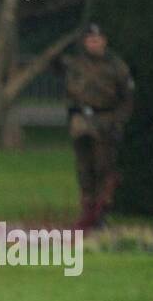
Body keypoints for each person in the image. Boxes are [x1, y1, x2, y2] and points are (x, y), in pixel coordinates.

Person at [55, 24, 134, 229]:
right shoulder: (76, 64)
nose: (93, 43)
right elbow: (65, 84)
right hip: (81, 119)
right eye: (90, 40)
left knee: (103, 167)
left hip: (105, 119)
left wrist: (118, 122)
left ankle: (101, 212)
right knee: (84, 167)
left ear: (104, 41)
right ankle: (87, 210)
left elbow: (127, 98)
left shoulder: (116, 66)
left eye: (97, 39)